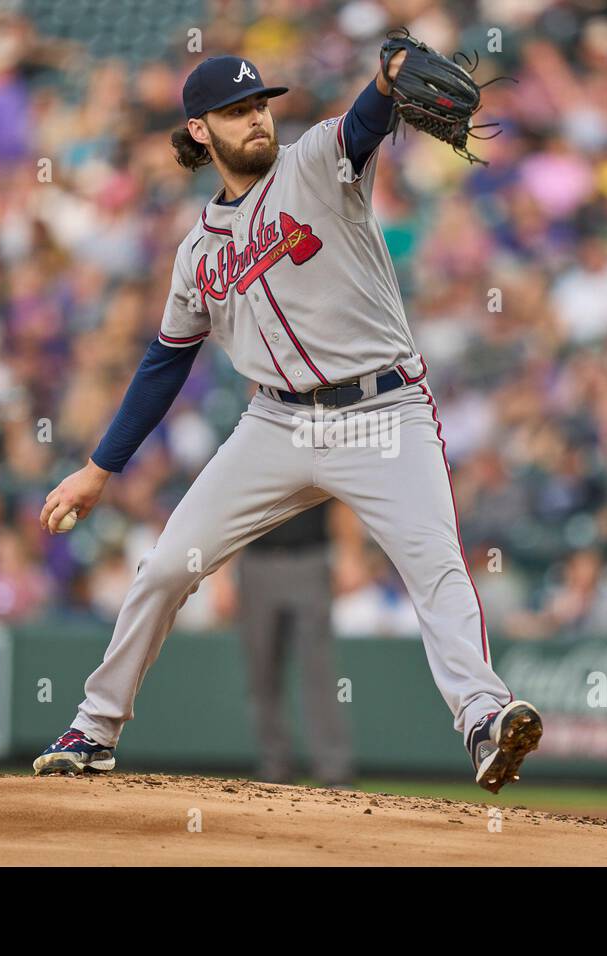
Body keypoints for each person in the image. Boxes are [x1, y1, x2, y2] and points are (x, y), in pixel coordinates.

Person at [31, 50, 542, 792]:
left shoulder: (316, 165)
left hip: (382, 412)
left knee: (434, 567)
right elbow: (163, 364)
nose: (256, 117)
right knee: (169, 565)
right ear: (200, 131)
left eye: (260, 104)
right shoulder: (198, 252)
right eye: (237, 111)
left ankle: (484, 718)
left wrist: (387, 80)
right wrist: (98, 469)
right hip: (275, 425)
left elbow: (364, 124)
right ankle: (94, 728)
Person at [237, 503, 353, 787]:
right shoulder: (241, 456)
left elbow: (341, 499)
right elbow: (228, 507)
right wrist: (219, 576)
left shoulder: (317, 455)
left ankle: (333, 769)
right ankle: (274, 767)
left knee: (319, 672)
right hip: (256, 560)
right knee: (261, 671)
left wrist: (351, 554)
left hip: (310, 558)